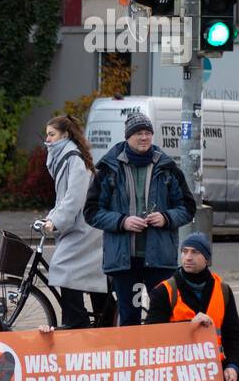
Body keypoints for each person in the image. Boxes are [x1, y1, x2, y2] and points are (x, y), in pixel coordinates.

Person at [84, 111, 196, 325]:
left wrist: (166, 218)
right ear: (127, 137)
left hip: (160, 258)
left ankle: (158, 358)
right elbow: (91, 212)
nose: (144, 137)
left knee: (161, 317)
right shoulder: (109, 169)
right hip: (124, 261)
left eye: (147, 133)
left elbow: (188, 207)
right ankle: (132, 358)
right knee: (129, 318)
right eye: (138, 133)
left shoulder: (167, 168)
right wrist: (122, 222)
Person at [146, 233, 239, 381]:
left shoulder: (223, 290)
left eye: (195, 252)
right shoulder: (164, 291)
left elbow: (234, 337)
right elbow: (152, 338)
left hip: (213, 372)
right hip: (179, 373)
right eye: (184, 252)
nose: (188, 257)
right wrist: (188, 326)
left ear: (206, 258)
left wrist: (233, 367)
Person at [42, 116, 111, 328]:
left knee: (63, 267)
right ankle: (101, 321)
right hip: (81, 224)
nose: (47, 139)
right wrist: (52, 217)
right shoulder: (66, 155)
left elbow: (74, 197)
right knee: (88, 274)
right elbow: (65, 197)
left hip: (86, 227)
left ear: (65, 135)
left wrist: (56, 221)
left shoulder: (73, 159)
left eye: (51, 134)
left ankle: (77, 323)